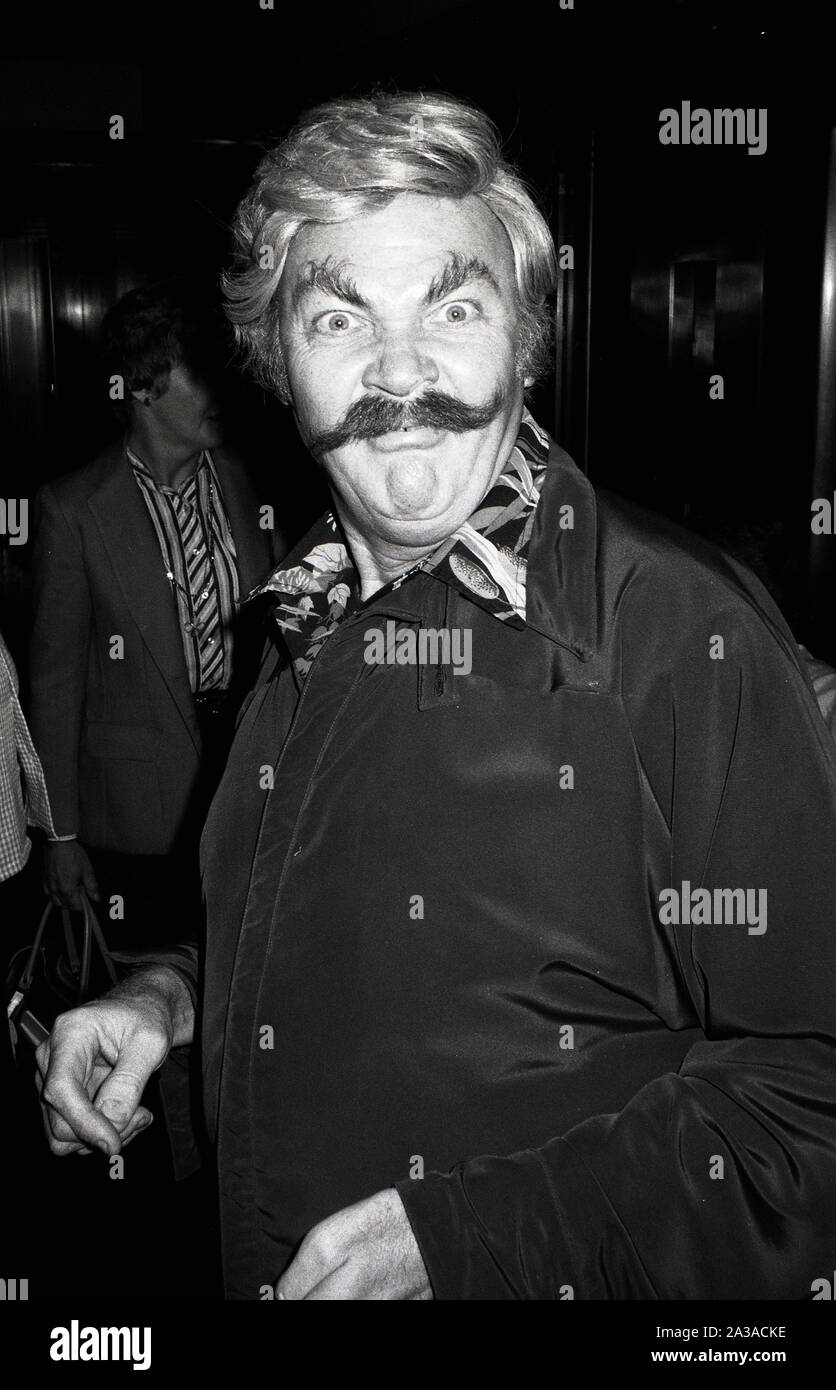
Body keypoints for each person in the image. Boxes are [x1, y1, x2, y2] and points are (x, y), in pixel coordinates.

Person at [35, 92, 836, 1301]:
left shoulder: (675, 634)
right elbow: (320, 922)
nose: (399, 371)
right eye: (338, 315)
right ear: (274, 362)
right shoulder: (299, 606)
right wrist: (174, 996)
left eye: (451, 308)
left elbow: (808, 1098)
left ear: (522, 338)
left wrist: (466, 1243)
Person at [29, 280, 282, 948]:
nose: (221, 393)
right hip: (136, 819)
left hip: (245, 793)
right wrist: (61, 835)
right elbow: (54, 685)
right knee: (146, 986)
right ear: (142, 387)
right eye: (198, 375)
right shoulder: (75, 509)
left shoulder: (246, 477)